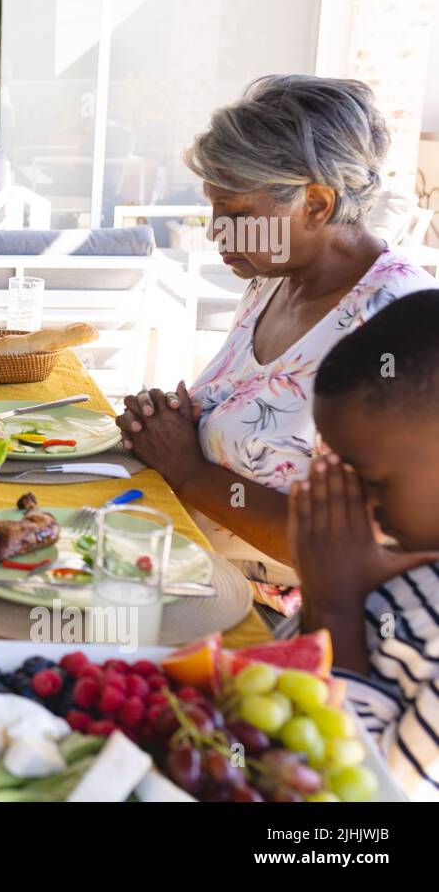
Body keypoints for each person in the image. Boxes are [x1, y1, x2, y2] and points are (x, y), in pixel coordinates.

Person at [114, 75, 436, 615]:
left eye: (237, 215)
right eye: (212, 209)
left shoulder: (400, 328)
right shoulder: (275, 281)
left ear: (315, 203)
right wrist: (170, 424)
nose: (216, 232)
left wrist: (188, 469)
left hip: (291, 624)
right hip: (196, 573)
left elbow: (357, 549)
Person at [287, 290, 439, 800]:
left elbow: (365, 797)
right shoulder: (399, 566)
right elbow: (279, 671)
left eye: (372, 482)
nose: (361, 506)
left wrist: (335, 606)